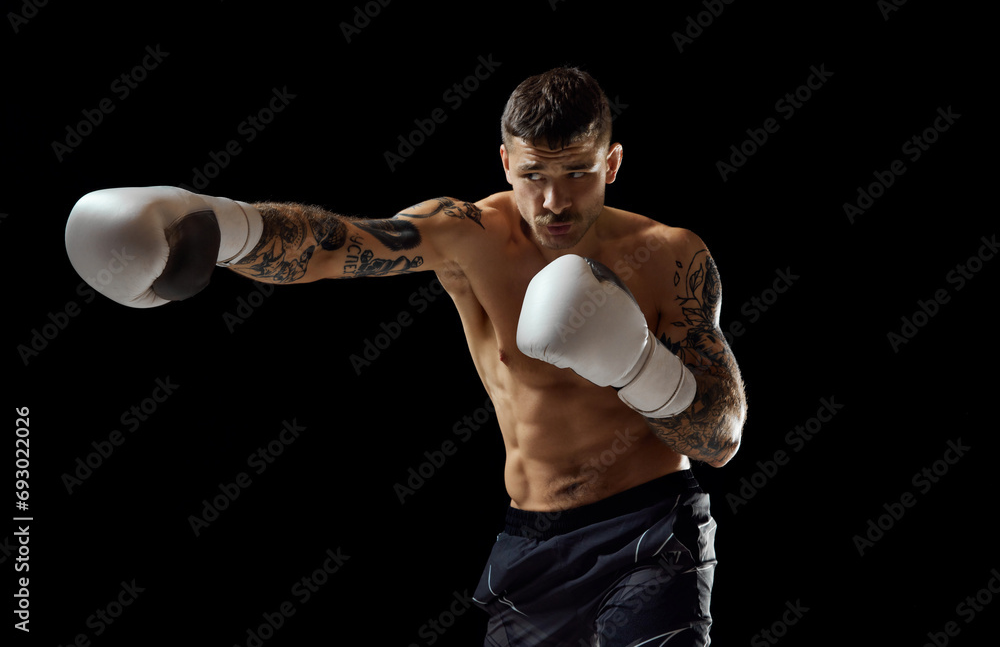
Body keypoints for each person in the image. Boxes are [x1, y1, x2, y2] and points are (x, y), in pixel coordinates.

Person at [65, 66, 746, 646]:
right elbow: (338, 242)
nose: (553, 200)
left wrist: (636, 365)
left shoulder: (669, 255)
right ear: (505, 162)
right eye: (533, 173)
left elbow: (720, 437)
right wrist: (219, 223)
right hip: (531, 539)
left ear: (613, 163)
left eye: (577, 173)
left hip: (654, 529)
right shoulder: (470, 234)